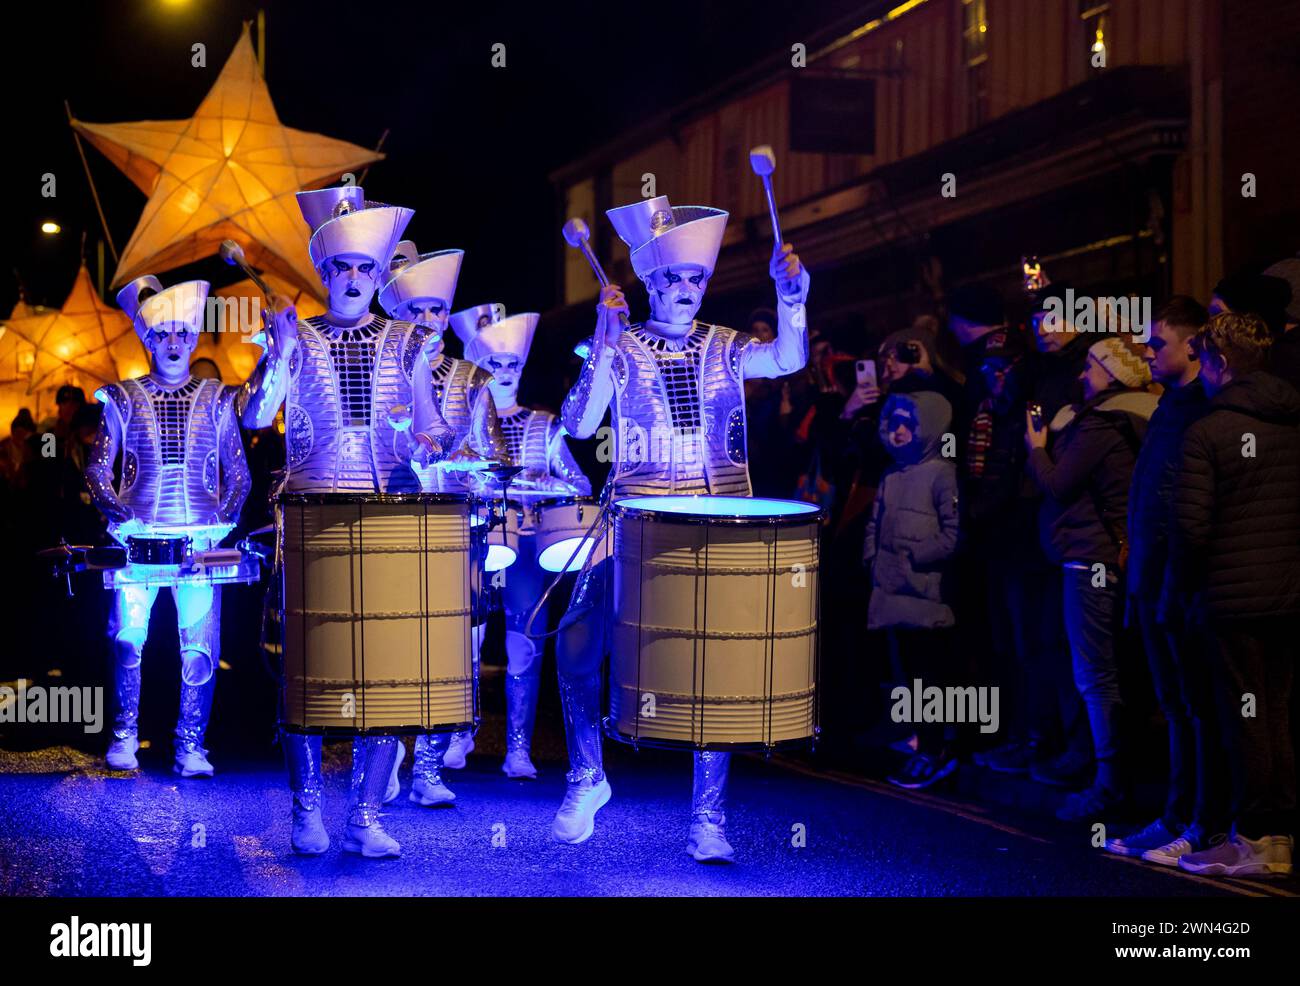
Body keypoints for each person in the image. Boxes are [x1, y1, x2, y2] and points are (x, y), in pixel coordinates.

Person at [557, 194, 809, 860]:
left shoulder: (728, 346)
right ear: (648, 282)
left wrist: (792, 300)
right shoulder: (622, 346)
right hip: (633, 518)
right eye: (671, 278)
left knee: (715, 665)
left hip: (716, 520)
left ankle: (708, 818)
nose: (685, 290)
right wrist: (603, 345)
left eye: (695, 278)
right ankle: (586, 773)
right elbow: (579, 425)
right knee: (576, 637)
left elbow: (788, 359)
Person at [241, 185, 455, 857]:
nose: (355, 279)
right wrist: (275, 354)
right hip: (311, 524)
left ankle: (365, 817)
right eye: (342, 268)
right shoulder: (295, 336)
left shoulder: (410, 342)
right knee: (309, 676)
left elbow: (431, 427)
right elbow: (252, 416)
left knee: (387, 679)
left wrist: (435, 442)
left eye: (367, 267)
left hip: (391, 524)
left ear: (380, 271)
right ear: (325, 273)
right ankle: (308, 812)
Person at [86, 275, 251, 778]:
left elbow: (238, 473)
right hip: (138, 541)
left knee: (199, 648)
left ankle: (190, 744)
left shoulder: (221, 398)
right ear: (147, 339)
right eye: (163, 334)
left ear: (196, 336)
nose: (174, 343)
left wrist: (219, 526)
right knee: (127, 640)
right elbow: (97, 468)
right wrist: (118, 516)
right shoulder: (120, 397)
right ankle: (123, 735)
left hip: (198, 544)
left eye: (183, 332)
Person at [377, 243, 506, 805]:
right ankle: (385, 758)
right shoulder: (378, 372)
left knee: (450, 656)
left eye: (435, 310)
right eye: (414, 312)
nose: (427, 322)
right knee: (387, 652)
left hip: (456, 537)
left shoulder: (474, 380)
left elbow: (496, 462)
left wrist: (470, 472)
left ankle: (428, 769)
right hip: (389, 534)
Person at [1173, 312, 1299, 877]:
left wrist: (1180, 592)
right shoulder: (1293, 420)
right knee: (1276, 712)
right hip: (1289, 596)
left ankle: (1252, 838)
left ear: (1221, 364)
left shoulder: (1208, 430)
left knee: (1244, 715)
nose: (1198, 373)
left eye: (1202, 361)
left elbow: (1191, 530)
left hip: (1232, 601)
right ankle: (1277, 838)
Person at [1105, 297, 1226, 865]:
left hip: (1177, 585)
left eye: (1159, 344)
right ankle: (1179, 814)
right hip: (1152, 579)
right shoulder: (1172, 405)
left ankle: (1198, 821)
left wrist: (1172, 579)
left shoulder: (1201, 407)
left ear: (1194, 347)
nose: (1148, 352)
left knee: (1194, 705)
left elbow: (1186, 506)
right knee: (1175, 703)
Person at [1025, 337, 1156, 821]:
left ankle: (1108, 784)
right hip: (1116, 559)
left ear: (1112, 373)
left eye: (1091, 367)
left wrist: (1037, 448)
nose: (1082, 376)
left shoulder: (1101, 424)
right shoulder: (1142, 414)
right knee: (1118, 671)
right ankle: (1120, 775)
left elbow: (1059, 485)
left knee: (1094, 674)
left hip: (1089, 560)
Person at [458, 304, 591, 778]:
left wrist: (544, 481)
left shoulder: (544, 425)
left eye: (513, 363)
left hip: (530, 547)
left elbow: (578, 483)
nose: (505, 373)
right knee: (463, 640)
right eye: (495, 364)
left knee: (523, 643)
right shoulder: (462, 426)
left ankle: (518, 747)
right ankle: (458, 732)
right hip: (474, 542)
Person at [862, 390, 960, 788]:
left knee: (928, 674)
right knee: (906, 674)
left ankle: (933, 748)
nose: (899, 431)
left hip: (924, 594)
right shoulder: (891, 474)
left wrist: (913, 558)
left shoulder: (942, 473)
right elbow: (875, 522)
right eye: (894, 423)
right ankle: (920, 737)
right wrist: (873, 559)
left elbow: (954, 533)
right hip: (890, 593)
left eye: (910, 424)